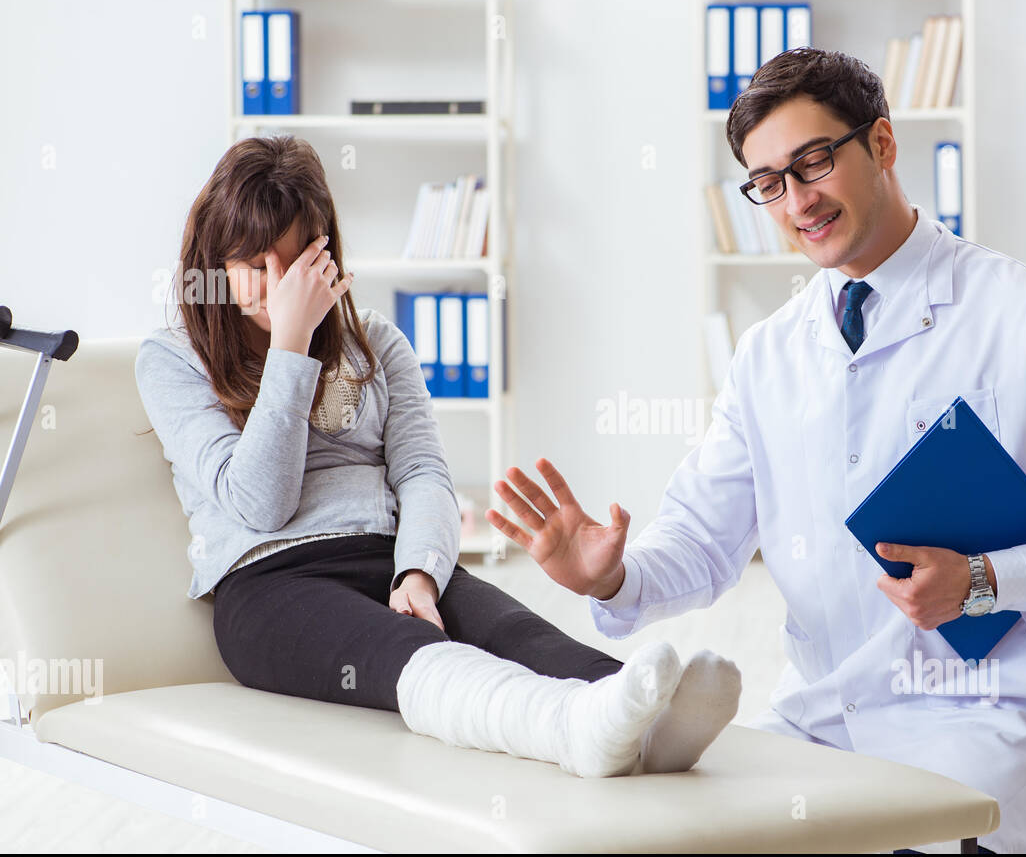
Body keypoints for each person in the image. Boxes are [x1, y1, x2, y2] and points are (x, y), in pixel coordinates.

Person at [487, 48, 1026, 849]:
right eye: (768, 183)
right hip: (827, 713)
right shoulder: (768, 355)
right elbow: (702, 540)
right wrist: (612, 574)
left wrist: (985, 580)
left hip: (997, 710)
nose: (797, 201)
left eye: (813, 161)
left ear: (884, 145)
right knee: (686, 834)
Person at [134, 135, 742, 779]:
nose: (279, 286)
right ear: (214, 261)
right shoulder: (172, 359)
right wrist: (292, 343)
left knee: (518, 633)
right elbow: (260, 503)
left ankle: (657, 721)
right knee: (414, 650)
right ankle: (570, 729)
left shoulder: (378, 345)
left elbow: (423, 474)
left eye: (297, 263)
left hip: (389, 554)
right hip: (269, 584)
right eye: (256, 266)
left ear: (327, 256)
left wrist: (418, 572)